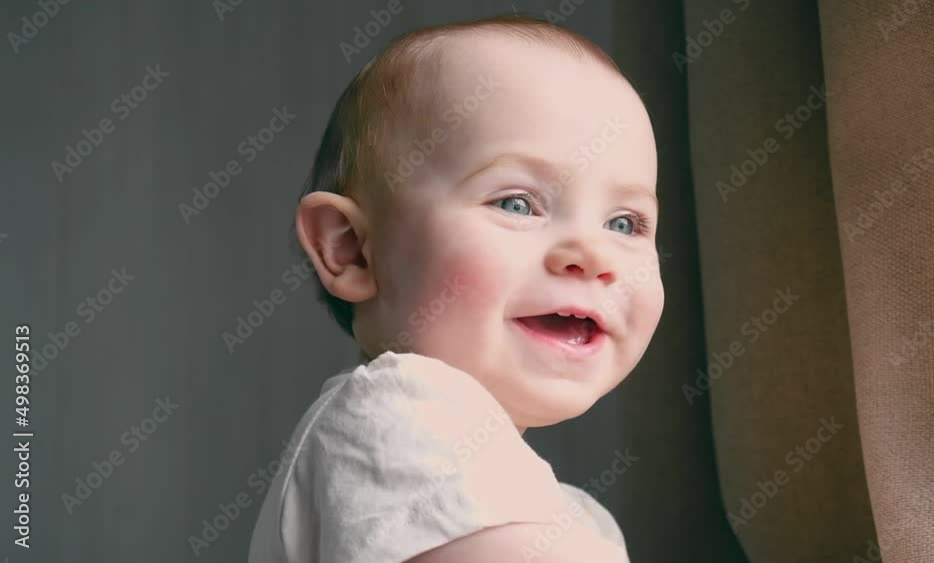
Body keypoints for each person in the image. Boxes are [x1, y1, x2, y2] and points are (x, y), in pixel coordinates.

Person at [248, 12, 664, 563]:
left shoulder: (562, 513)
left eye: (624, 223)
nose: (593, 255)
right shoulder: (396, 416)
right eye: (517, 203)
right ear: (351, 249)